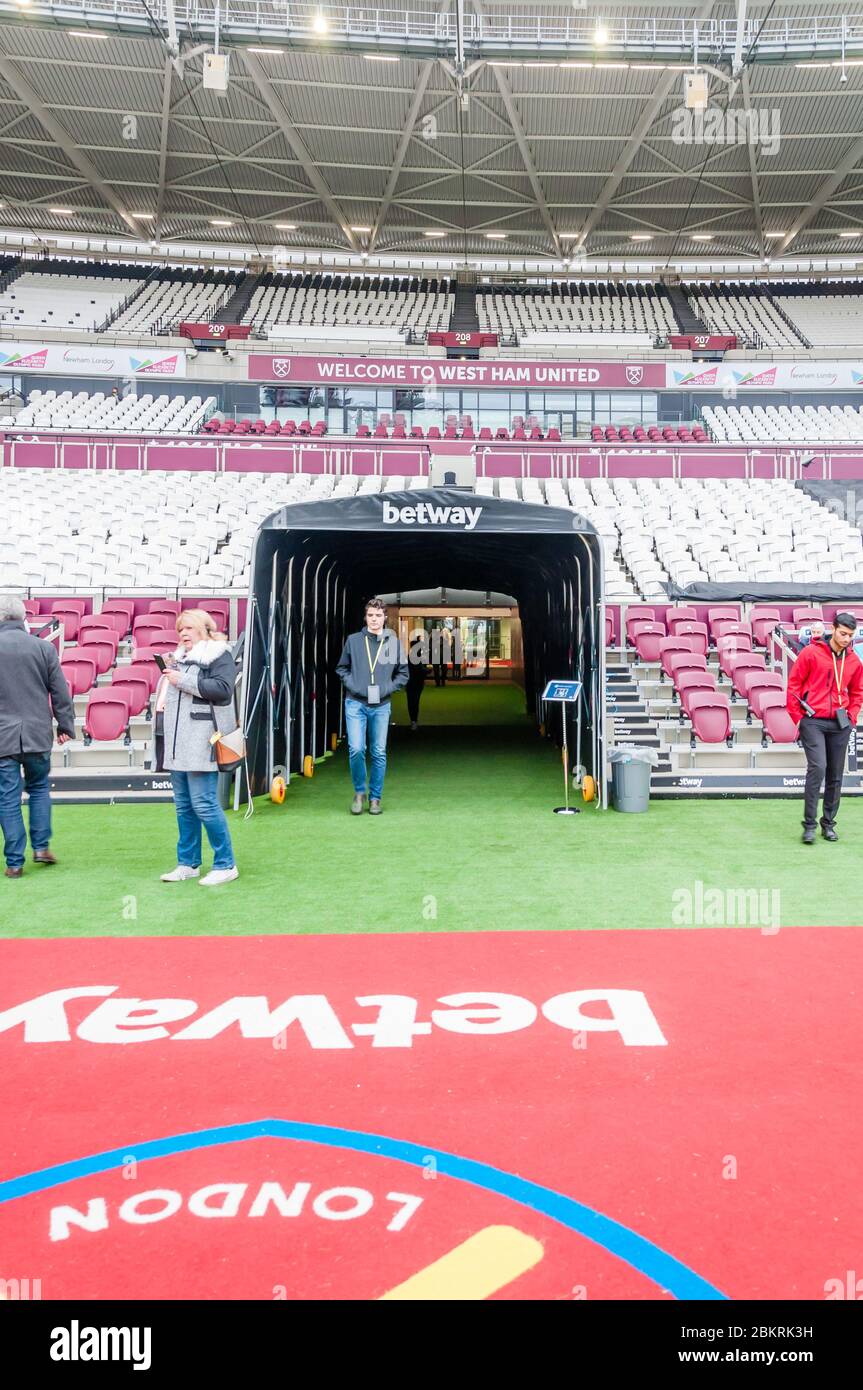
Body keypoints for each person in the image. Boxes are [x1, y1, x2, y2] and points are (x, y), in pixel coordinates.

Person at [160, 609, 239, 885]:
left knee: (204, 804)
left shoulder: (219, 655)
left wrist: (181, 680)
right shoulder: (180, 658)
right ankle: (188, 863)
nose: (183, 634)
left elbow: (223, 689)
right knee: (184, 806)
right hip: (177, 744)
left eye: (189, 629)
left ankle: (226, 863)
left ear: (205, 629)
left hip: (202, 741)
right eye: (180, 629)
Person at [0, 594, 75, 878]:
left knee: (7, 798)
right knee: (40, 788)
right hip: (37, 733)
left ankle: (14, 862)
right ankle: (41, 847)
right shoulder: (44, 648)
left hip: (2, 737)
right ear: (23, 618)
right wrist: (65, 726)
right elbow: (60, 691)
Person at [786, 611, 863, 844]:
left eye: (850, 635)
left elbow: (858, 692)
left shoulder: (853, 661)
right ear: (833, 628)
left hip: (841, 723)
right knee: (818, 768)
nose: (846, 639)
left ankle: (828, 824)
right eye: (842, 633)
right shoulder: (811, 653)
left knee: (835, 776)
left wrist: (852, 716)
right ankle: (809, 825)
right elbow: (794, 685)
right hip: (813, 720)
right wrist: (797, 718)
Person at [336, 597, 408, 814]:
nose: (374, 619)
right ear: (365, 617)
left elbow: (403, 674)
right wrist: (355, 686)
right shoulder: (354, 640)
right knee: (356, 748)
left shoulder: (393, 643)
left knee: (378, 752)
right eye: (370, 615)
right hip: (355, 703)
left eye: (378, 615)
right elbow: (342, 668)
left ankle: (375, 798)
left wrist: (387, 689)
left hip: (381, 705)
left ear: (385, 617)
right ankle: (360, 792)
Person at [405, 630, 428, 731]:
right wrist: (426, 671)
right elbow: (420, 670)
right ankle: (414, 721)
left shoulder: (410, 657)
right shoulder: (414, 658)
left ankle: (413, 721)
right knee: (414, 702)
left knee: (412, 702)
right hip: (415, 683)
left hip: (412, 683)